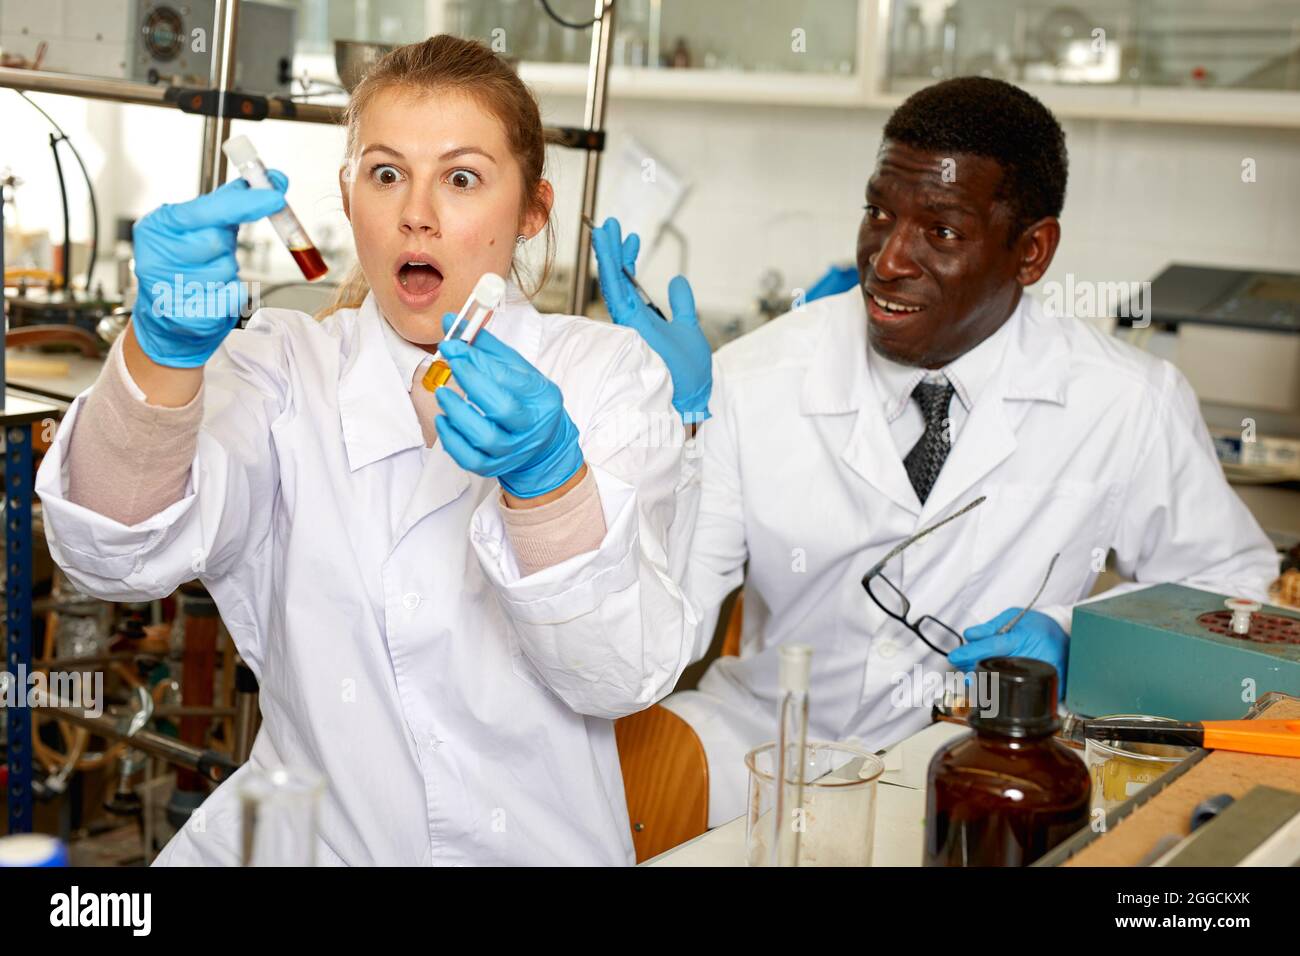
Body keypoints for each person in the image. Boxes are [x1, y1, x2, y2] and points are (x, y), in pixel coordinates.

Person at [36, 35, 701, 864]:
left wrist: (550, 487)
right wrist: (158, 355)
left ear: (533, 210)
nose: (416, 213)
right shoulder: (282, 367)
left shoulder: (604, 376)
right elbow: (112, 558)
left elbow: (619, 676)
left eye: (462, 178)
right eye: (386, 174)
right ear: (349, 195)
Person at [592, 77, 1279, 827]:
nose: (887, 260)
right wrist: (659, 438)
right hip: (752, 767)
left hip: (987, 774)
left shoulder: (1125, 400)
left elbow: (1232, 592)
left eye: (941, 232)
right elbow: (656, 636)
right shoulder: (753, 377)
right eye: (878, 214)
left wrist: (1076, 635)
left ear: (1032, 252)